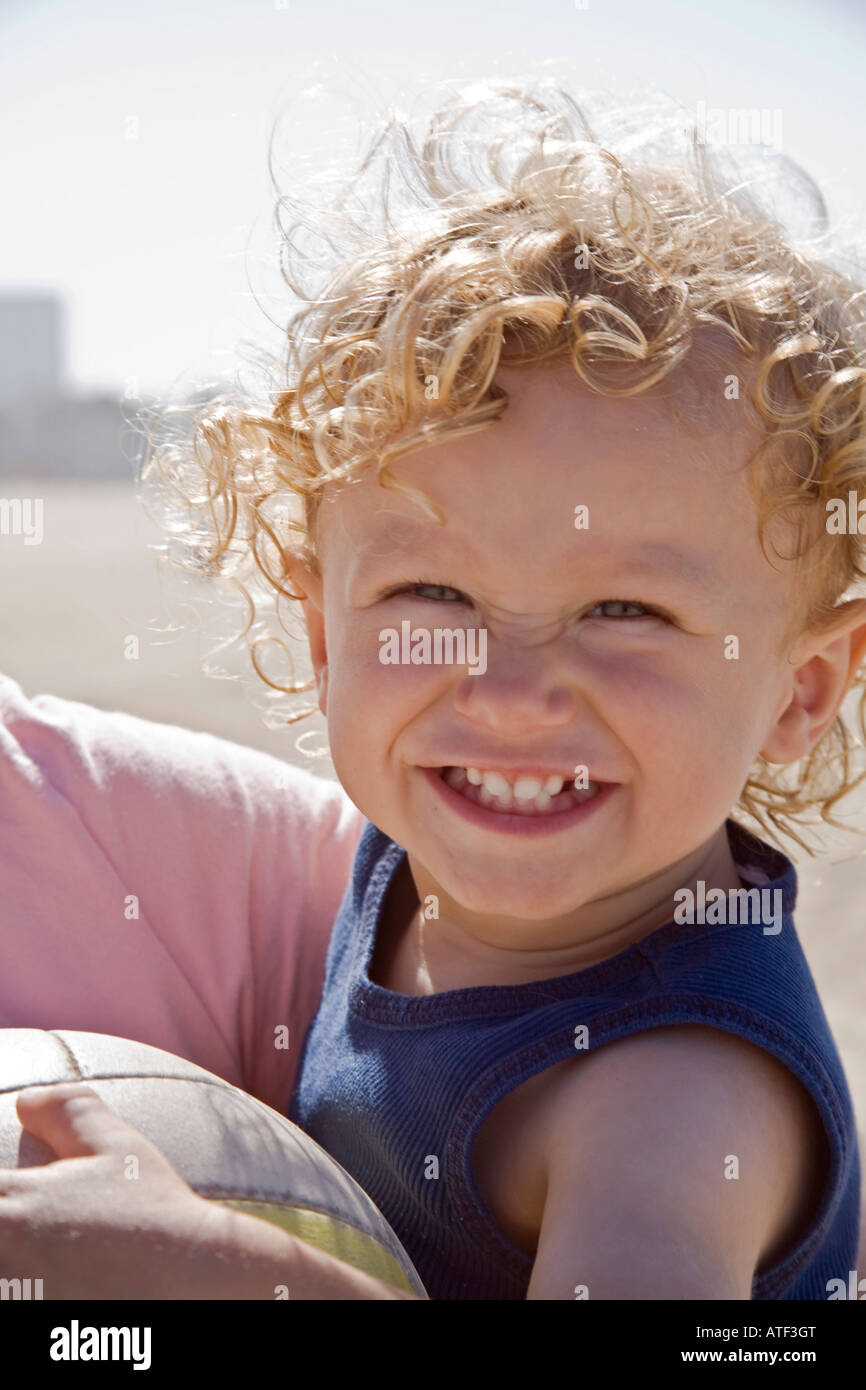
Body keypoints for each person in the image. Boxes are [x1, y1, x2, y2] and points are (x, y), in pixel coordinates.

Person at [3, 81, 865, 1300]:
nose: (510, 692)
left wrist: (219, 1272)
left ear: (802, 684)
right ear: (321, 628)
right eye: (430, 598)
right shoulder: (401, 858)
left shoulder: (672, 1097)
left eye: (623, 612)